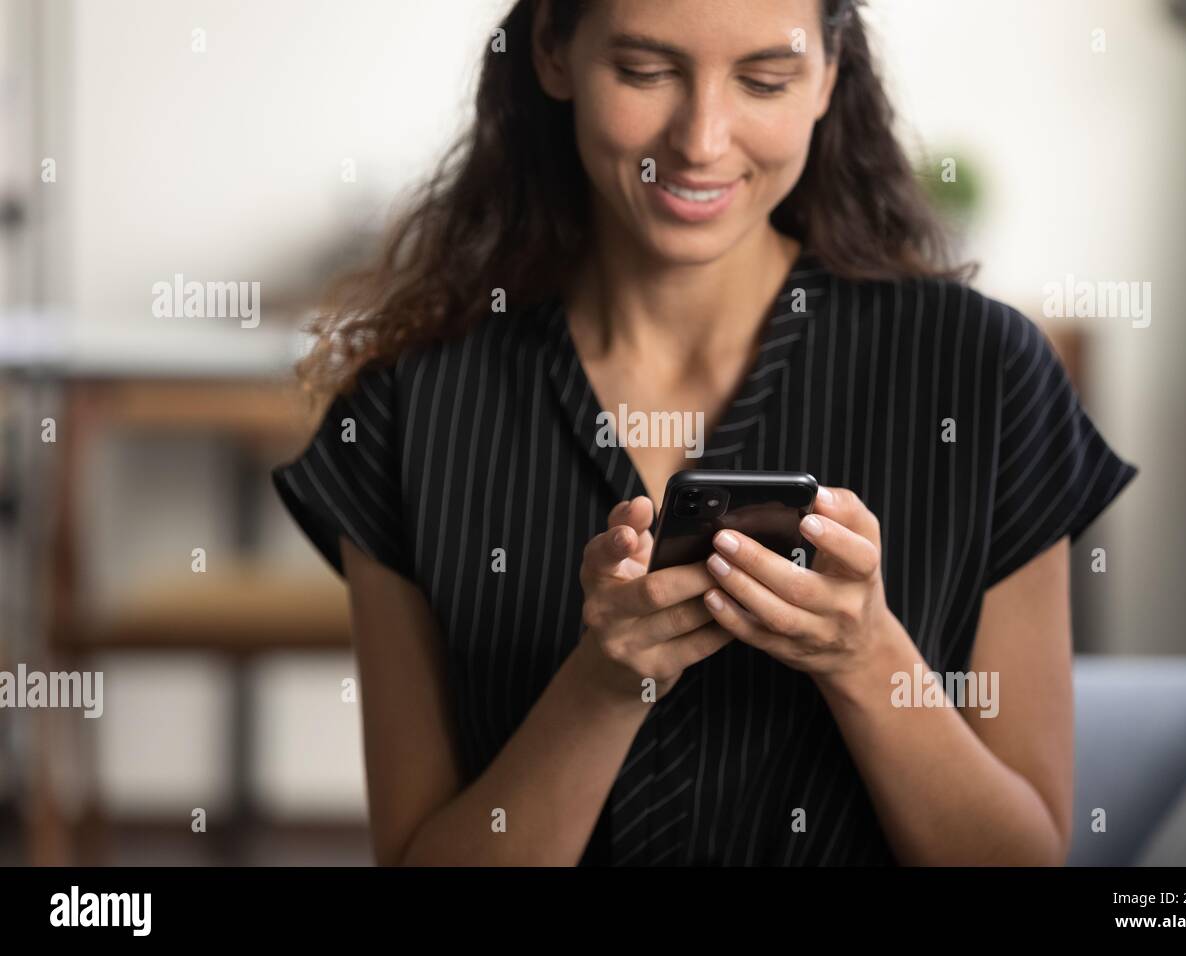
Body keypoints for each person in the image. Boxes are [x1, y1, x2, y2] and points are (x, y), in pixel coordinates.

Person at [272, 0, 1138, 865]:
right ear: (551, 51)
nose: (702, 141)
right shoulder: (409, 409)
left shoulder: (981, 374)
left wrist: (866, 657)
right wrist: (604, 686)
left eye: (764, 80)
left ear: (829, 75)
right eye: (646, 72)